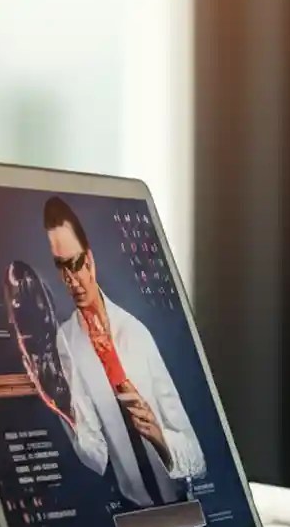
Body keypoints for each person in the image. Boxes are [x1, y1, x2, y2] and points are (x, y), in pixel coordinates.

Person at [42, 197, 206, 508]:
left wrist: (158, 435)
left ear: (90, 261)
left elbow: (195, 457)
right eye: (60, 267)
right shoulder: (65, 342)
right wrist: (63, 409)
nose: (70, 279)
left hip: (183, 508)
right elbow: (96, 457)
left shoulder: (137, 333)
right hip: (132, 515)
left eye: (75, 264)